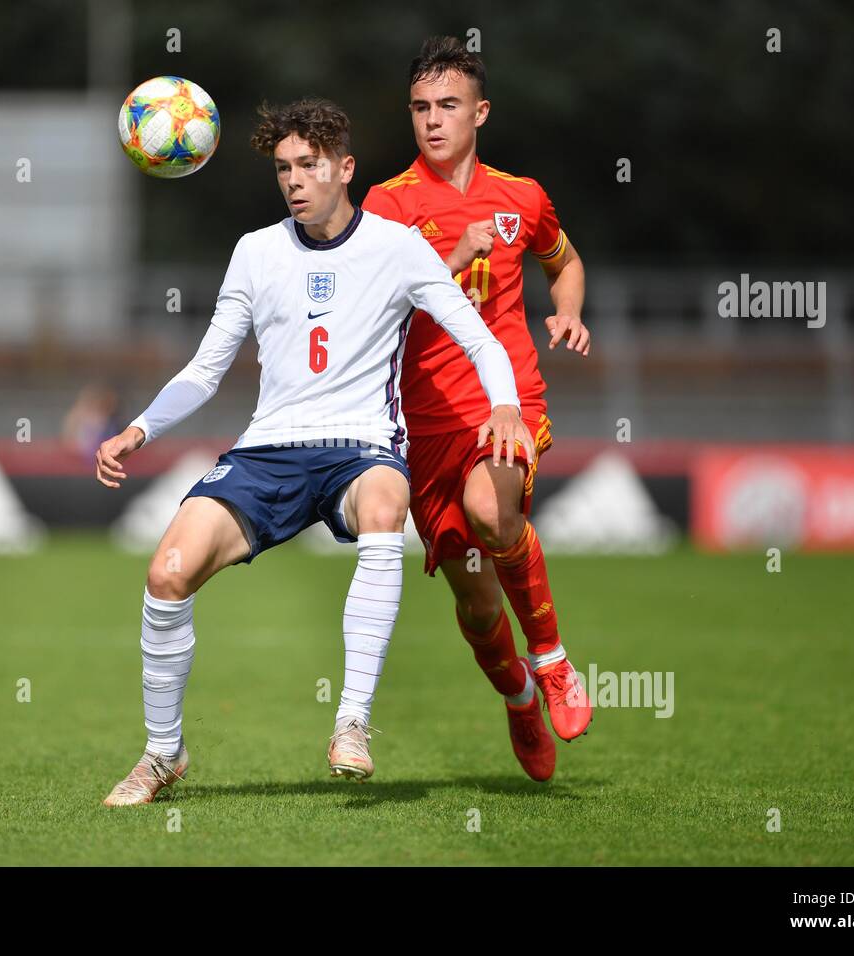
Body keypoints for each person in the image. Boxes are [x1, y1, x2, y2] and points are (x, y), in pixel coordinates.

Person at [96, 97, 530, 805]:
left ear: (345, 167)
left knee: (388, 506)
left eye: (308, 165)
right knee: (166, 573)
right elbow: (207, 369)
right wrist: (138, 429)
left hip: (361, 450)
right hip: (269, 451)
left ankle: (352, 721)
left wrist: (504, 405)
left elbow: (477, 338)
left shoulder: (397, 247)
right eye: (283, 168)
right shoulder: (256, 251)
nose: (294, 180)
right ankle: (162, 755)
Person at [362, 37, 594, 781]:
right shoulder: (387, 206)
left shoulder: (522, 196)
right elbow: (374, 305)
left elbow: (565, 259)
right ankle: (520, 696)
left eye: (449, 106)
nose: (433, 121)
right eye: (421, 108)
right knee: (476, 598)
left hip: (506, 404)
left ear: (480, 112)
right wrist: (447, 260)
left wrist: (567, 311)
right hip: (423, 421)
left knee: (494, 514)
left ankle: (553, 660)